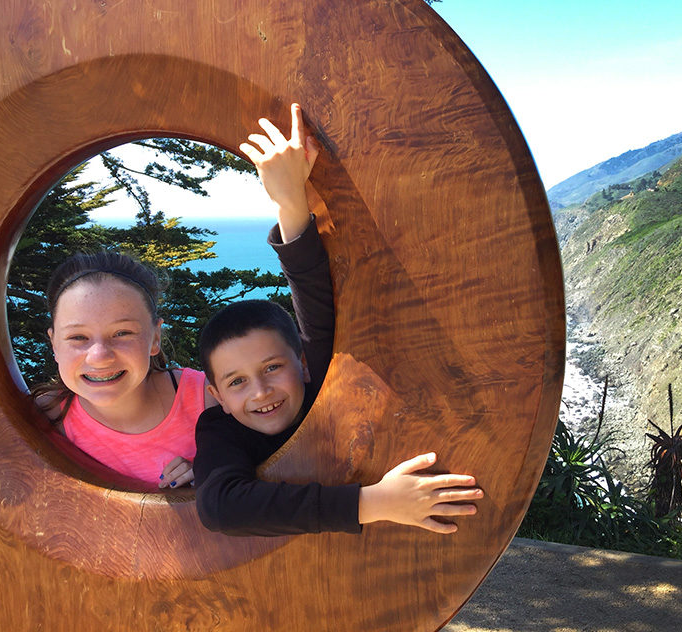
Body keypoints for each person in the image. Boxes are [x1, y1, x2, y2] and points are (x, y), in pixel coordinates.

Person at [193, 103, 483, 536]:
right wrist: (373, 502)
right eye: (235, 381)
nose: (260, 391)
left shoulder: (324, 387)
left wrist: (291, 202)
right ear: (216, 394)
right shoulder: (221, 431)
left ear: (303, 364)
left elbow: (316, 306)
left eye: (273, 367)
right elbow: (221, 509)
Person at [38, 250, 217, 488]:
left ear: (155, 338)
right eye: (78, 337)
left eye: (122, 333)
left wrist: (222, 468)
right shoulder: (42, 418)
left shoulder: (210, 399)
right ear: (54, 344)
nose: (100, 356)